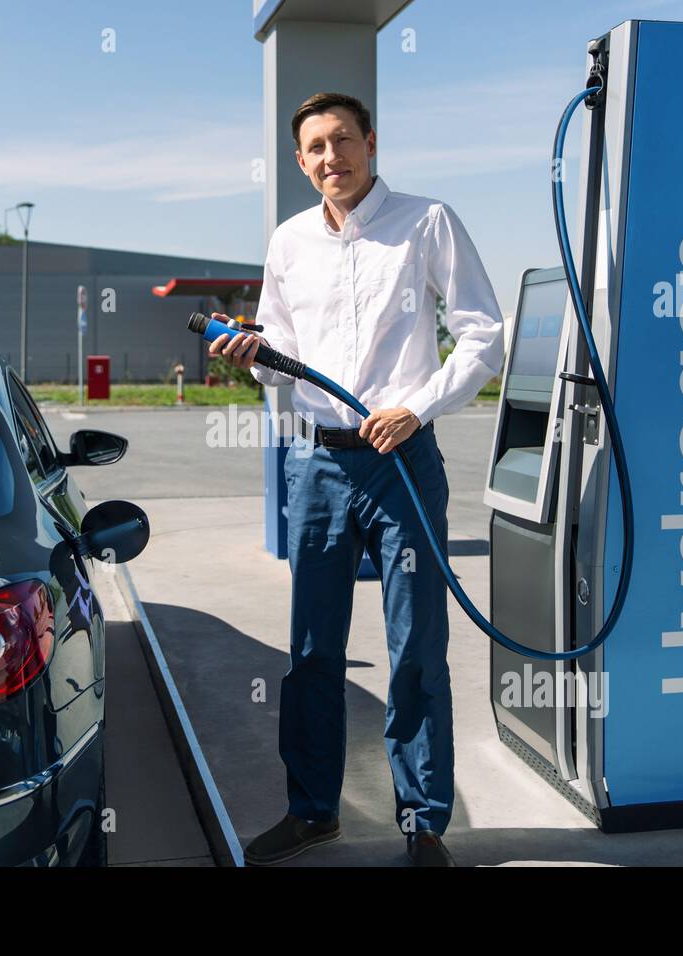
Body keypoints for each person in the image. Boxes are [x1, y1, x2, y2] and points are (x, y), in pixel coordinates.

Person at [211, 91, 503, 867]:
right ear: (301, 162)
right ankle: (313, 812)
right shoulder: (289, 241)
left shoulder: (427, 221)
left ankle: (424, 822)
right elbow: (281, 356)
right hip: (316, 464)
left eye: (343, 140)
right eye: (315, 148)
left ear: (372, 143)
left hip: (401, 460)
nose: (330, 157)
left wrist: (417, 406)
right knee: (311, 650)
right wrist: (252, 357)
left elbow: (484, 336)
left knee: (415, 647)